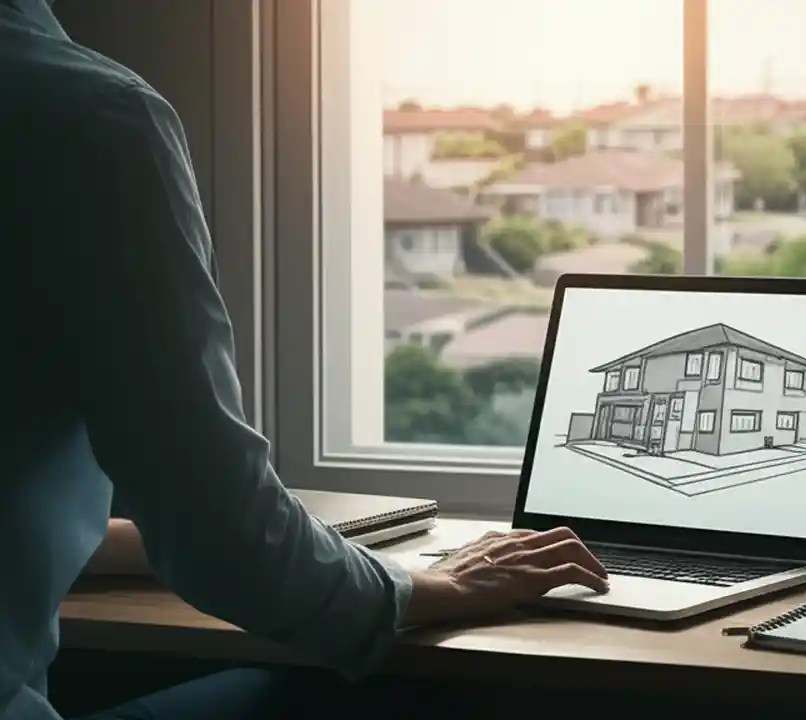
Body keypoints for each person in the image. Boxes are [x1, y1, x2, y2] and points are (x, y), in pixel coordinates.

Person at [0, 1, 608, 718]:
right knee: (374, 686)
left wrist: (172, 535)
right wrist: (430, 588)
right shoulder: (88, 116)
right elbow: (228, 544)